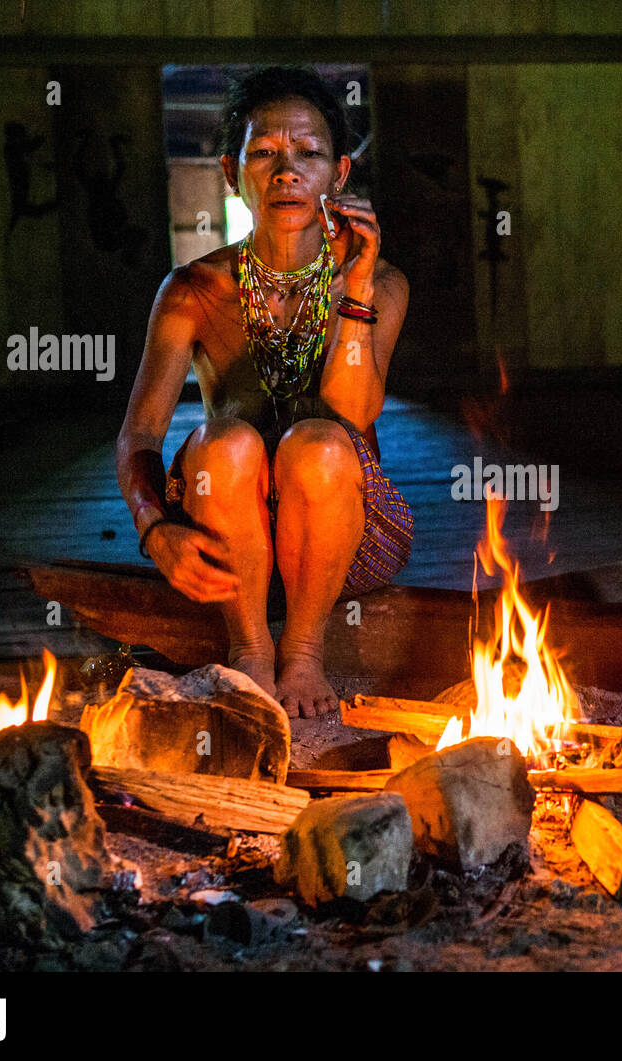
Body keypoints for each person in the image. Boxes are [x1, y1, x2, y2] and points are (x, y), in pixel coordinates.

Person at [117, 66, 412, 718]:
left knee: (321, 446)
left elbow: (355, 414)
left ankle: (304, 648)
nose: (287, 172)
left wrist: (356, 291)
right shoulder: (192, 291)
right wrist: (153, 528)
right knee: (224, 443)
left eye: (308, 154)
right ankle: (249, 648)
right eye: (264, 154)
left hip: (345, 531)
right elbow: (140, 434)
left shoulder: (380, 283)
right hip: (225, 530)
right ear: (230, 171)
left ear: (338, 174)